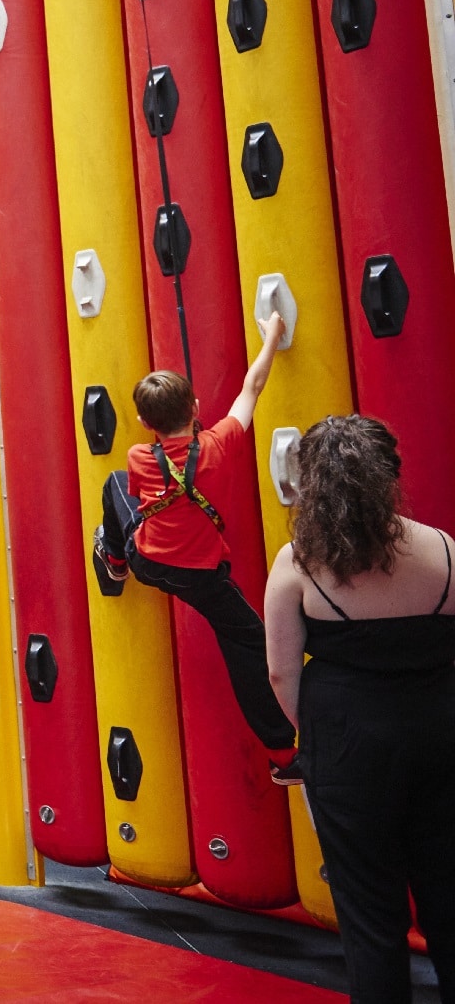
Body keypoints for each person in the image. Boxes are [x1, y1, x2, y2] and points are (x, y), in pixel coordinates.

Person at [264, 416, 455, 1002]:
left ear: (313, 484)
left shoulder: (298, 563)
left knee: (370, 912)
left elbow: (280, 670)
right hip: (441, 731)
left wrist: (321, 738)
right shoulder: (445, 547)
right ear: (390, 477)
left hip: (348, 743)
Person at [124, 312, 300, 783]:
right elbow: (252, 389)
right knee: (248, 648)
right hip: (200, 576)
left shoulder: (139, 458)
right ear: (197, 407)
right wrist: (273, 337)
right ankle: (284, 757)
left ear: (144, 422)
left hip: (148, 561)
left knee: (114, 493)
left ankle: (115, 559)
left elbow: (141, 483)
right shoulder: (218, 446)